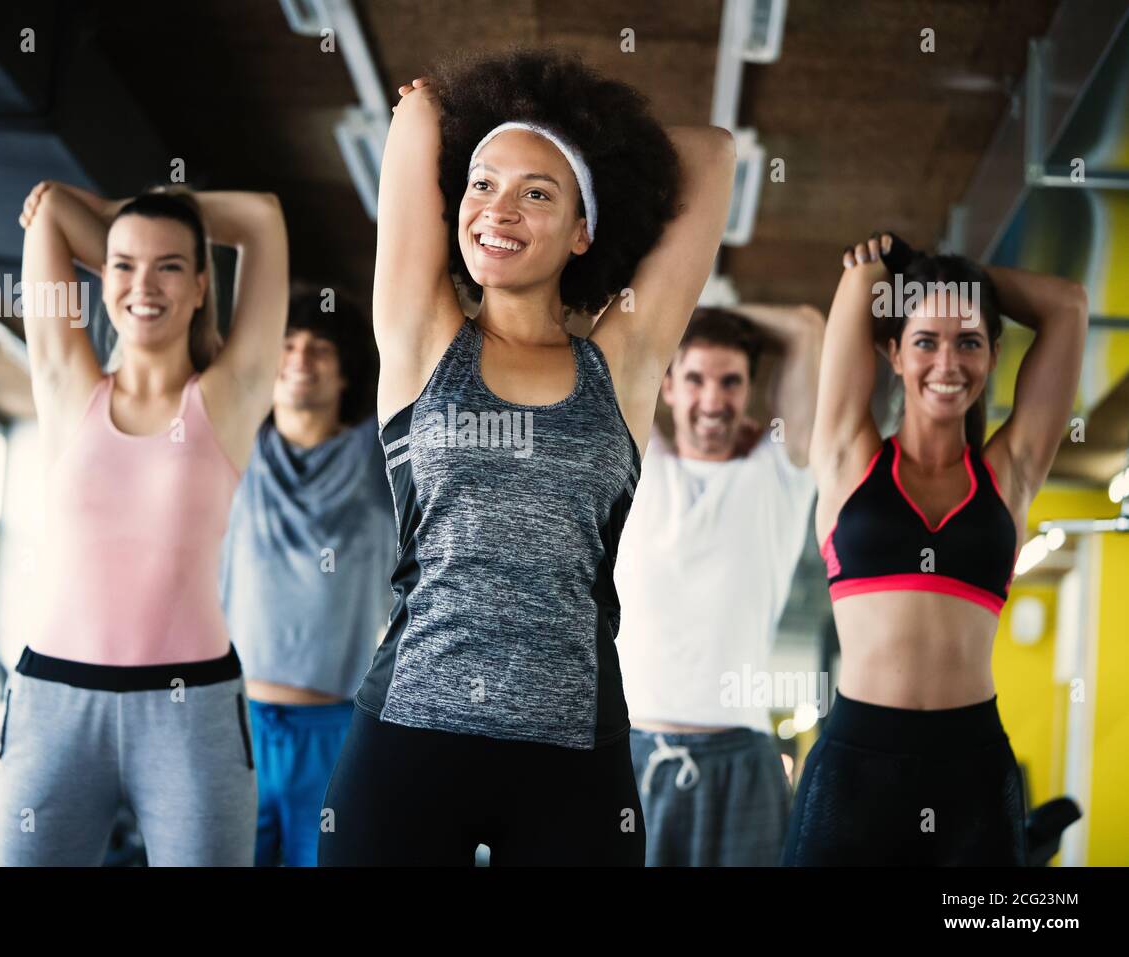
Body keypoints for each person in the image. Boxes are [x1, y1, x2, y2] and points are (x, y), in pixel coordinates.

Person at [318, 47, 736, 866]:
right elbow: (414, 133)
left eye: (537, 193)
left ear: (585, 229)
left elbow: (713, 155)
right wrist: (431, 112)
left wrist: (596, 145)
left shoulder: (622, 362)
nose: (498, 209)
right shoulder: (420, 340)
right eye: (482, 183)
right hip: (409, 730)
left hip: (572, 750)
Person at [0, 182, 289, 866]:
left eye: (170, 266)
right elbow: (48, 214)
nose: (144, 284)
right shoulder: (67, 386)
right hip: (53, 703)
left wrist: (145, 206)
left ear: (199, 287)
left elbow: (263, 218)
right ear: (99, 278)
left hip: (193, 713)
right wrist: (118, 229)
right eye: (123, 264)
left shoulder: (229, 394)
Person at [782, 232, 1088, 865]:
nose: (947, 364)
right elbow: (863, 280)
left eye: (969, 341)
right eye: (925, 340)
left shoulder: (1010, 474)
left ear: (994, 354)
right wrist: (911, 273)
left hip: (972, 772)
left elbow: (1068, 305)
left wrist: (949, 274)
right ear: (893, 352)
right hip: (854, 772)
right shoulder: (848, 460)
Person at [615, 304, 822, 866]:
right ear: (667, 386)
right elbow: (608, 328)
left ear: (752, 388)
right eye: (696, 379)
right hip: (632, 754)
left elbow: (804, 326)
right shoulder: (636, 464)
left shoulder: (781, 471)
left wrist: (702, 307)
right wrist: (681, 310)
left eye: (731, 381)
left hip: (744, 758)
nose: (713, 399)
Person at [219, 289, 396, 867]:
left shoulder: (380, 453)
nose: (299, 359)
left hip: (336, 731)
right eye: (288, 345)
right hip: (231, 725)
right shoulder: (231, 442)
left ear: (345, 372)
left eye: (319, 348)